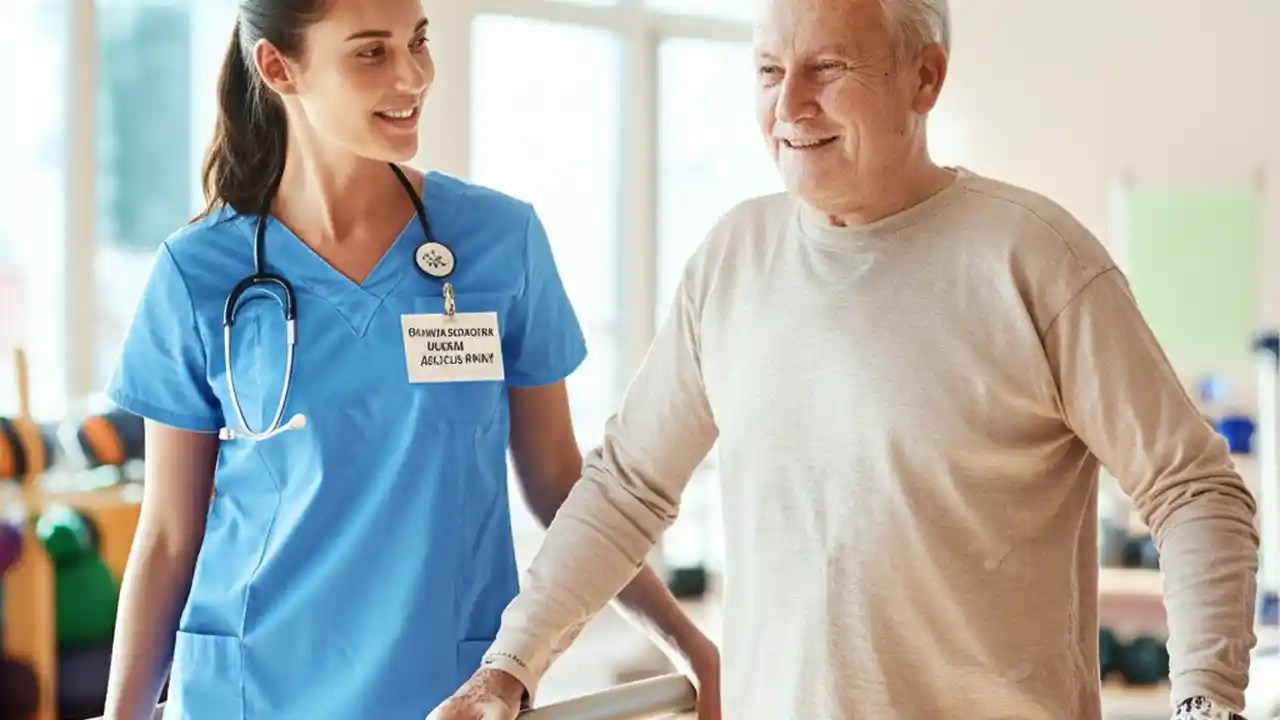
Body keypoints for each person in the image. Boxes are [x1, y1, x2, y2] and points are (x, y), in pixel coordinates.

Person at [431, 0, 1263, 718]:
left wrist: (1205, 699)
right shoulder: (733, 258)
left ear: (925, 78)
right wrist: (512, 665)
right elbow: (625, 491)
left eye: (827, 68)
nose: (790, 104)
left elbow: (1193, 491)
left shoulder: (1035, 259)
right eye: (768, 70)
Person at [100, 1, 719, 718]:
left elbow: (560, 485)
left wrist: (686, 641)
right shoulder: (199, 272)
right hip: (248, 692)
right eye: (371, 53)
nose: (413, 76)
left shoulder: (499, 241)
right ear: (277, 67)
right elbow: (169, 536)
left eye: (418, 42)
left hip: (446, 692)